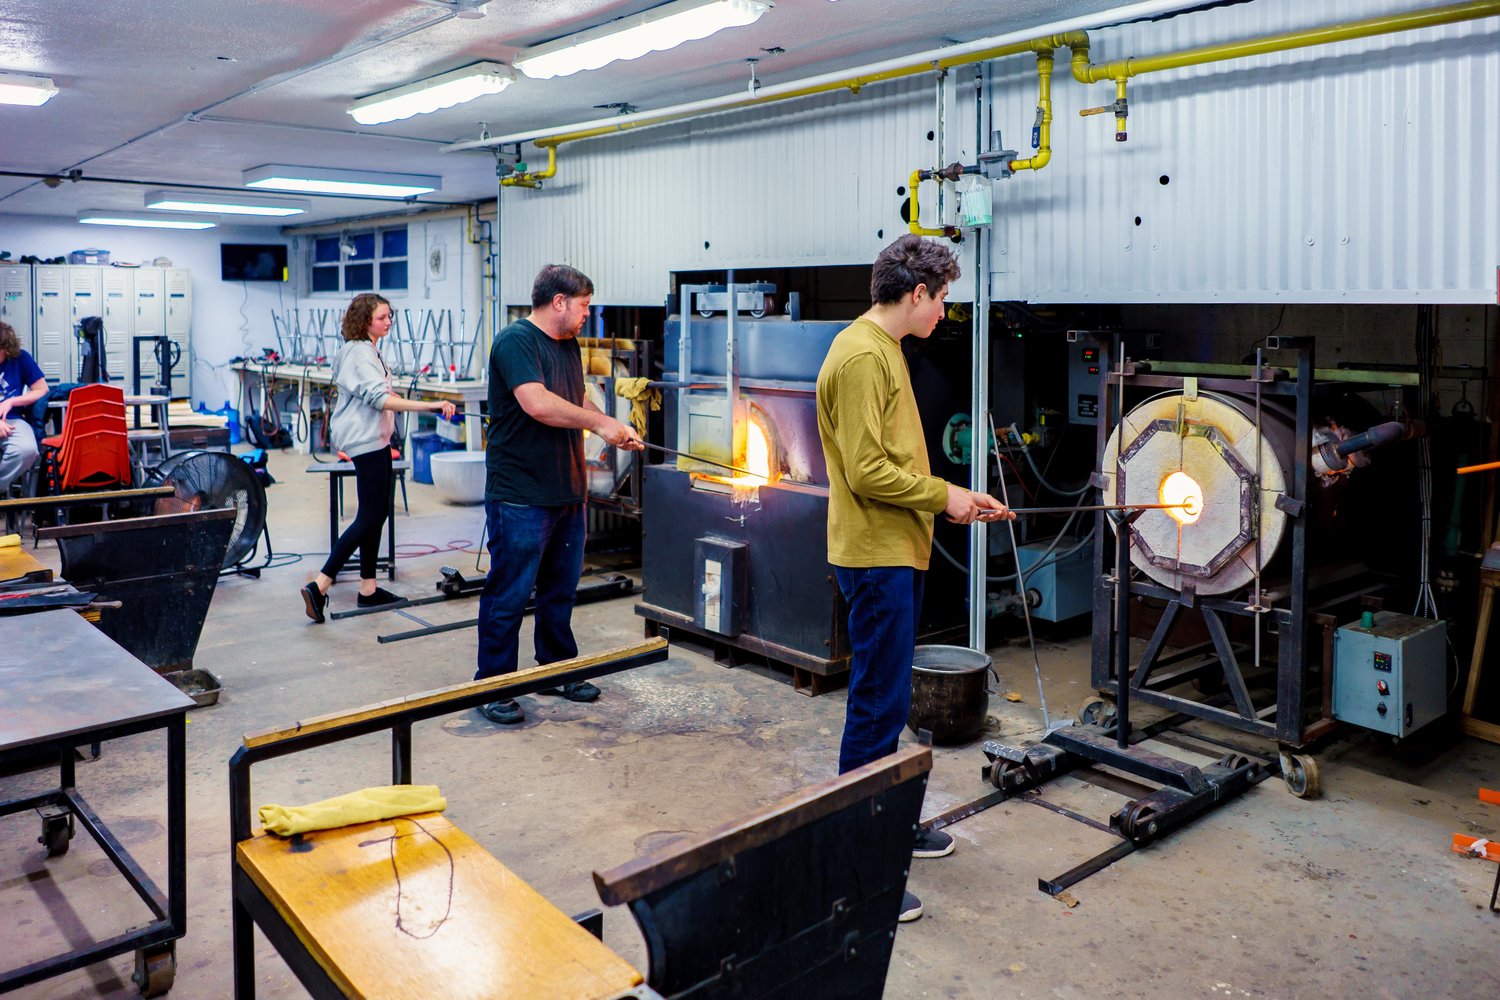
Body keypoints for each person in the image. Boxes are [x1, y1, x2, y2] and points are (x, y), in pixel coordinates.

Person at [814, 234, 1013, 922]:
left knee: (889, 701)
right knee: (875, 708)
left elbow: (887, 460)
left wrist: (949, 496)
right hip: (875, 555)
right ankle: (860, 870)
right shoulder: (865, 355)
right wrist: (945, 496)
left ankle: (888, 827)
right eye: (944, 299)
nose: (944, 313)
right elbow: (868, 471)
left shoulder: (883, 348)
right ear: (918, 292)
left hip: (894, 546)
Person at [475, 265, 643, 725]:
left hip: (567, 490)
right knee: (510, 591)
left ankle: (555, 669)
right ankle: (494, 684)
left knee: (559, 591)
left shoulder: (567, 345)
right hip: (521, 494)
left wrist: (612, 425)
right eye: (585, 304)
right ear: (560, 302)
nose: (589, 312)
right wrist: (599, 424)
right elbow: (537, 402)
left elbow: (575, 397)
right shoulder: (515, 341)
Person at [301, 293, 457, 622]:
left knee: (379, 513)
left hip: (377, 439)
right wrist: (430, 405)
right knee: (370, 517)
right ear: (364, 321)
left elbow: (381, 394)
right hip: (366, 440)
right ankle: (320, 584)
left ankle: (368, 589)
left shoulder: (368, 349)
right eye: (382, 317)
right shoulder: (359, 352)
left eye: (390, 316)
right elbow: (379, 399)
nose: (389, 322)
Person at [0, 321, 47, 496]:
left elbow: (42, 390)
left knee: (27, 450)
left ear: (6, 347)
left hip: (12, 421)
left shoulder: (21, 358)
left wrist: (12, 401)